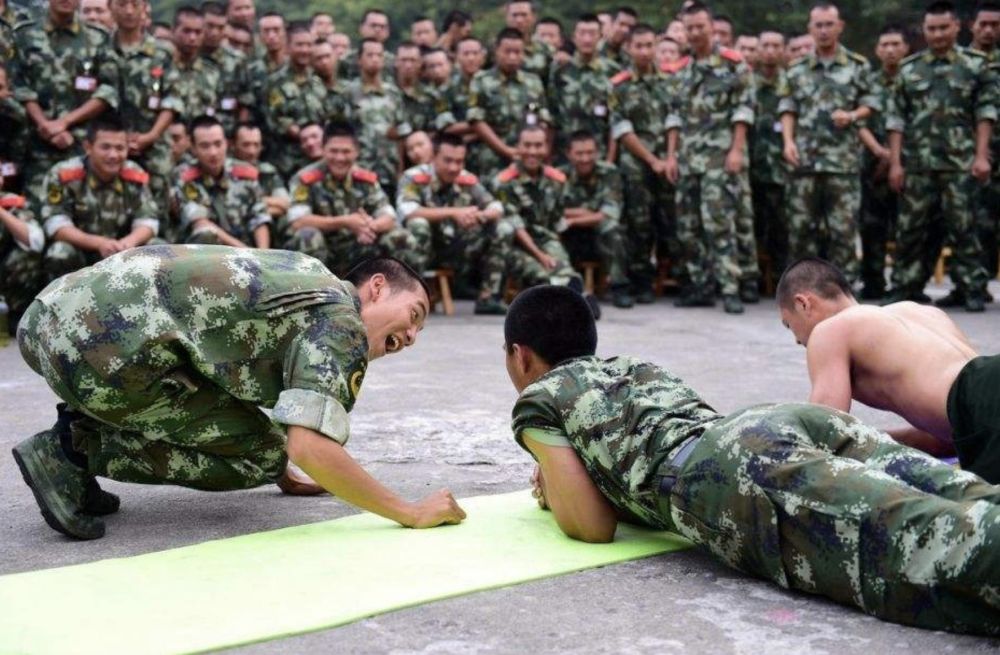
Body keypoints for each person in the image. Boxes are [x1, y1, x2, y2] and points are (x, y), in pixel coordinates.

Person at [505, 283, 1000, 636]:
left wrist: (553, 483)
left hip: (723, 469)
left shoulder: (539, 397)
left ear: (520, 356)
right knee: (961, 493)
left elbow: (591, 527)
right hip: (778, 423)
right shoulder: (635, 367)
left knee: (929, 544)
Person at [13, 248, 467, 540]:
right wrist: (409, 511)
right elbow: (308, 445)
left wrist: (288, 468)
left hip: (47, 320)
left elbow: (225, 363)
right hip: (95, 352)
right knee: (263, 456)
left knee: (260, 440)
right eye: (414, 314)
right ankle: (73, 449)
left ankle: (81, 445)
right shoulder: (342, 323)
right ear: (377, 286)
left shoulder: (306, 272)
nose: (411, 337)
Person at [776, 257, 1000, 484]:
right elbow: (951, 434)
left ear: (803, 303)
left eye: (788, 324)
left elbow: (825, 436)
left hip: (982, 411)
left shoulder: (829, 331)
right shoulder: (917, 311)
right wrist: (878, 438)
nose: (796, 339)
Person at [884, 1, 996, 312]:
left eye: (943, 28)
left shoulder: (976, 65)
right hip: (918, 165)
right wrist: (895, 163)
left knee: (965, 227)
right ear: (924, 30)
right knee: (911, 229)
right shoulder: (910, 69)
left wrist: (982, 156)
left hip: (961, 163)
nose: (937, 34)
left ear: (957, 26)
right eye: (931, 29)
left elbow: (985, 113)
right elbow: (896, 120)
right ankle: (906, 287)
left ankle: (970, 289)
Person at [667, 3, 757, 314]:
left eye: (699, 27)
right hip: (689, 158)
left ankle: (730, 287)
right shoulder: (680, 70)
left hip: (721, 157)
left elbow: (744, 110)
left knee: (719, 223)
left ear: (711, 27)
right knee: (689, 225)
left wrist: (736, 150)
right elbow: (674, 117)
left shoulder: (734, 64)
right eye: (689, 28)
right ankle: (700, 285)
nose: (694, 33)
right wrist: (671, 156)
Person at [780, 2, 877, 285]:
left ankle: (843, 290)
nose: (823, 30)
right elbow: (788, 108)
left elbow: (871, 103)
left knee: (843, 231)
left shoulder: (858, 66)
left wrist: (852, 114)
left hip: (842, 162)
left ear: (839, 26)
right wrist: (788, 142)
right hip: (805, 161)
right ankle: (801, 289)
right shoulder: (797, 69)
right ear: (810, 29)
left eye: (828, 24)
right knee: (801, 229)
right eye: (818, 25)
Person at [283, 123, 420, 277]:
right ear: (323, 149)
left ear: (356, 152)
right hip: (322, 249)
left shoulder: (365, 179)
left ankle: (400, 295)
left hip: (359, 246)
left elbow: (389, 216)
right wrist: (346, 222)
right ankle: (314, 298)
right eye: (333, 151)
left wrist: (369, 226)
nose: (340, 158)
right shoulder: (305, 178)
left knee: (400, 237)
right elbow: (298, 222)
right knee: (307, 236)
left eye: (346, 151)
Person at [396, 133, 511, 315]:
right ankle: (411, 297)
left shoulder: (466, 179)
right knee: (418, 223)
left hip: (459, 249)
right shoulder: (414, 177)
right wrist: (454, 213)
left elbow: (496, 207)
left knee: (503, 227)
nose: (454, 167)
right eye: (448, 160)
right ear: (433, 157)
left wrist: (478, 216)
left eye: (459, 161)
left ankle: (488, 298)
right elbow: (408, 211)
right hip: (425, 249)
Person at [40, 116, 158, 281]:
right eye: (105, 147)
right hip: (81, 253)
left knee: (157, 247)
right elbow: (55, 224)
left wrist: (128, 243)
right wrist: (99, 243)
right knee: (59, 252)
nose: (113, 155)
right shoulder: (64, 174)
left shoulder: (134, 174)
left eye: (120, 148)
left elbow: (148, 220)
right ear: (88, 147)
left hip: (122, 253)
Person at [170, 114, 270, 248]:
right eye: (205, 146)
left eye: (218, 144)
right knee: (205, 234)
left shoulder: (245, 172)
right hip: (204, 252)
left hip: (247, 251)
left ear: (226, 144)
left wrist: (263, 256)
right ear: (193, 148)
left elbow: (259, 219)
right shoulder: (183, 176)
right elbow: (202, 223)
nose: (213, 152)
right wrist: (247, 253)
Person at [559, 130, 632, 309]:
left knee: (612, 227)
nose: (585, 158)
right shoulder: (559, 175)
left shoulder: (609, 172)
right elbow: (554, 211)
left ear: (597, 152)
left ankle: (619, 287)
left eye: (590, 152)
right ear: (568, 154)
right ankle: (563, 285)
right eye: (579, 153)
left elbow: (608, 213)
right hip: (571, 235)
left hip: (599, 234)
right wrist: (585, 212)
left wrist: (573, 219)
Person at [467, 28, 550, 177]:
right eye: (507, 52)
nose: (512, 57)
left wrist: (537, 150)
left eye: (517, 52)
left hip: (530, 156)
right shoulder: (481, 80)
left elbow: (543, 119)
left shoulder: (533, 81)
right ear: (496, 51)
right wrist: (505, 150)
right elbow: (476, 120)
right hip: (492, 156)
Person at [261, 21, 327, 179]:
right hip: (287, 163)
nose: (305, 50)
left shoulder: (317, 81)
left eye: (309, 45)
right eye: (299, 45)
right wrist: (306, 136)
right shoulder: (275, 81)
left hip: (318, 160)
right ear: (288, 46)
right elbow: (273, 120)